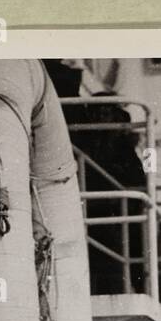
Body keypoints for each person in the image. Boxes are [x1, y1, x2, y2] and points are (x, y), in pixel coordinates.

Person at [43, 59, 149, 294]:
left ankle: (137, 282)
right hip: (97, 211)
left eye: (107, 113)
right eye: (100, 112)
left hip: (113, 214)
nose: (103, 117)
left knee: (119, 256)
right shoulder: (94, 140)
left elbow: (139, 181)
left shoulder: (124, 149)